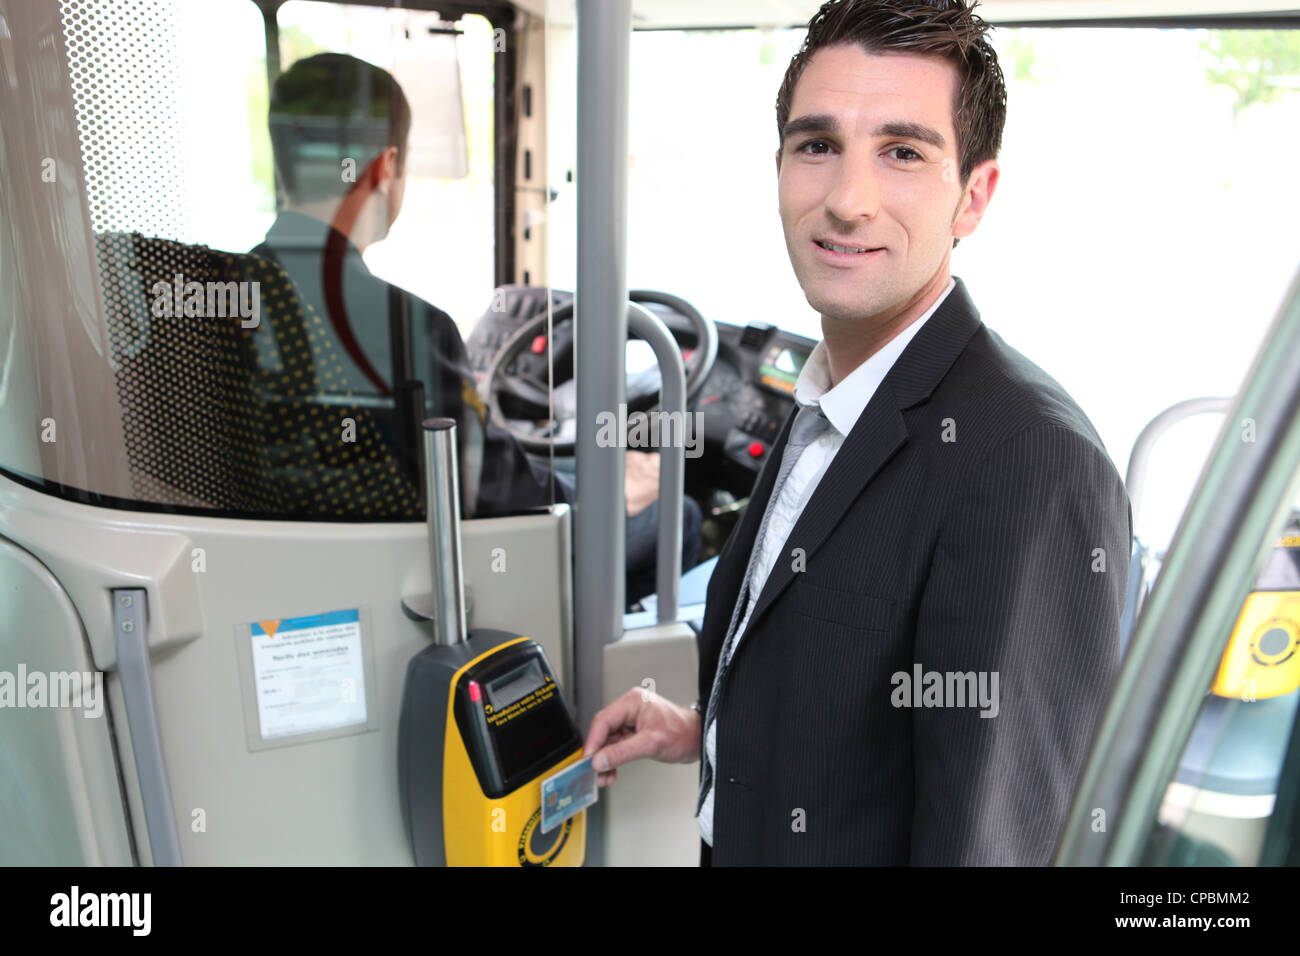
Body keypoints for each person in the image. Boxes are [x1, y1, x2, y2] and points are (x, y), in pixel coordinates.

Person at [582, 0, 1131, 865]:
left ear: (974, 196)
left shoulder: (1029, 462)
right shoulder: (825, 398)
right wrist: (707, 731)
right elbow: (853, 698)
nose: (846, 200)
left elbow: (991, 844)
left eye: (903, 152)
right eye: (818, 145)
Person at [255, 53, 698, 604]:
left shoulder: (228, 307)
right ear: (384, 168)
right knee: (677, 511)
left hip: (282, 582)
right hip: (421, 586)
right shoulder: (408, 329)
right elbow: (494, 493)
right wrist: (613, 491)